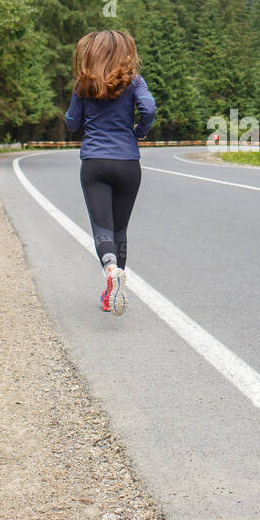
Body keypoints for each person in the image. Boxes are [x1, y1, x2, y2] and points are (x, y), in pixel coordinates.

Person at [63, 29, 156, 315]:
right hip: (128, 163)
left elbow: (70, 123)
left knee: (102, 228)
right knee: (119, 230)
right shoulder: (134, 81)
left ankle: (111, 270)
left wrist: (79, 112)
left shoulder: (84, 84)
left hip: (95, 163)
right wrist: (139, 130)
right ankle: (111, 292)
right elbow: (149, 108)